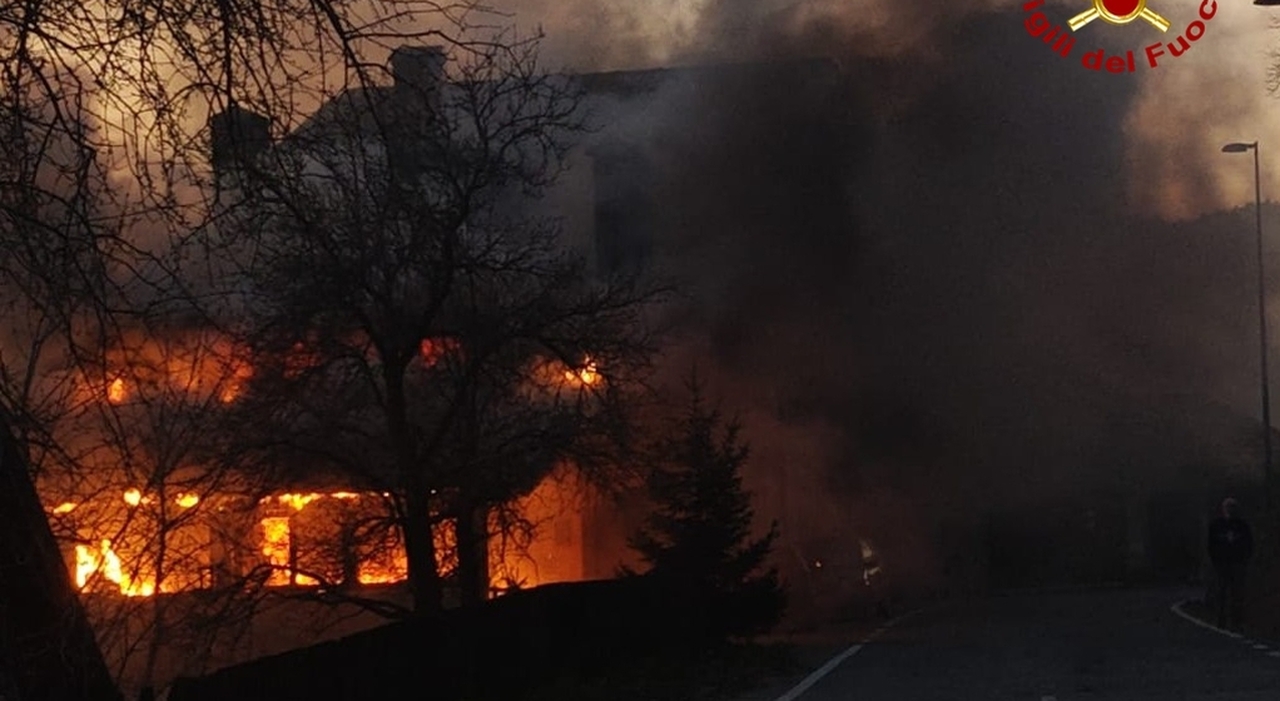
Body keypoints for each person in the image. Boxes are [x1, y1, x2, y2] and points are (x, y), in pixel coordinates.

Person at [1207, 497, 1253, 631]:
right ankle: (1221, 620)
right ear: (1223, 509)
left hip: (1238, 563)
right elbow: (1211, 545)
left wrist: (1244, 559)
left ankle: (1237, 621)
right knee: (1221, 593)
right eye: (1228, 507)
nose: (1230, 510)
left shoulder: (1242, 526)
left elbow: (1249, 544)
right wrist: (1215, 560)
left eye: (1232, 507)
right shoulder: (1216, 525)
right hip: (1221, 564)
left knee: (1237, 594)